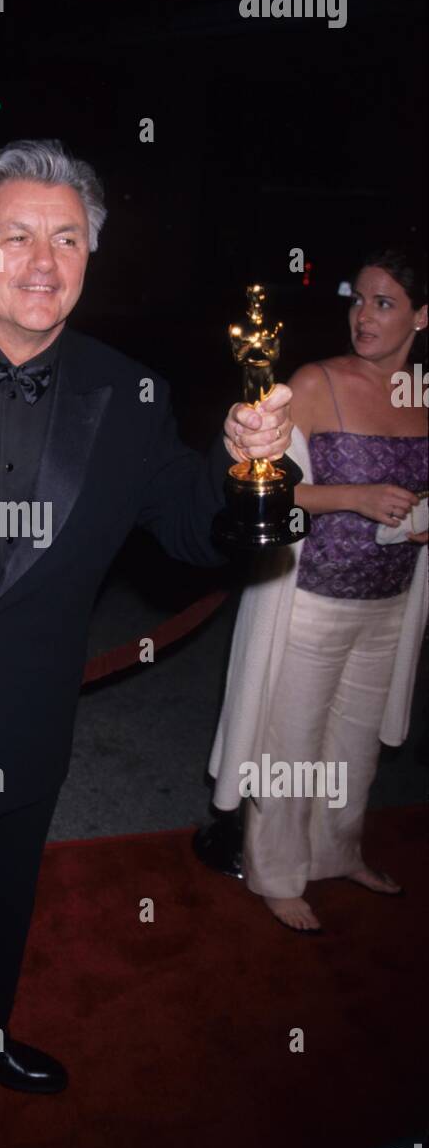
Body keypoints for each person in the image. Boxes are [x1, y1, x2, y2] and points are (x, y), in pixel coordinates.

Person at [0, 138, 294, 1148]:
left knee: (4, 887)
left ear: (91, 256)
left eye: (66, 238)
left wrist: (245, 480)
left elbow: (191, 529)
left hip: (32, 698)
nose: (41, 262)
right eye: (14, 236)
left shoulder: (130, 394)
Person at [209, 248, 428, 933]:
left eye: (383, 303)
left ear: (421, 317)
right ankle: (275, 872)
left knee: (355, 745)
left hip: (388, 602)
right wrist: (354, 498)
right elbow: (263, 488)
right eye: (357, 299)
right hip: (309, 599)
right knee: (291, 741)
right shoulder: (312, 382)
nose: (362, 315)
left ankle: (337, 853)